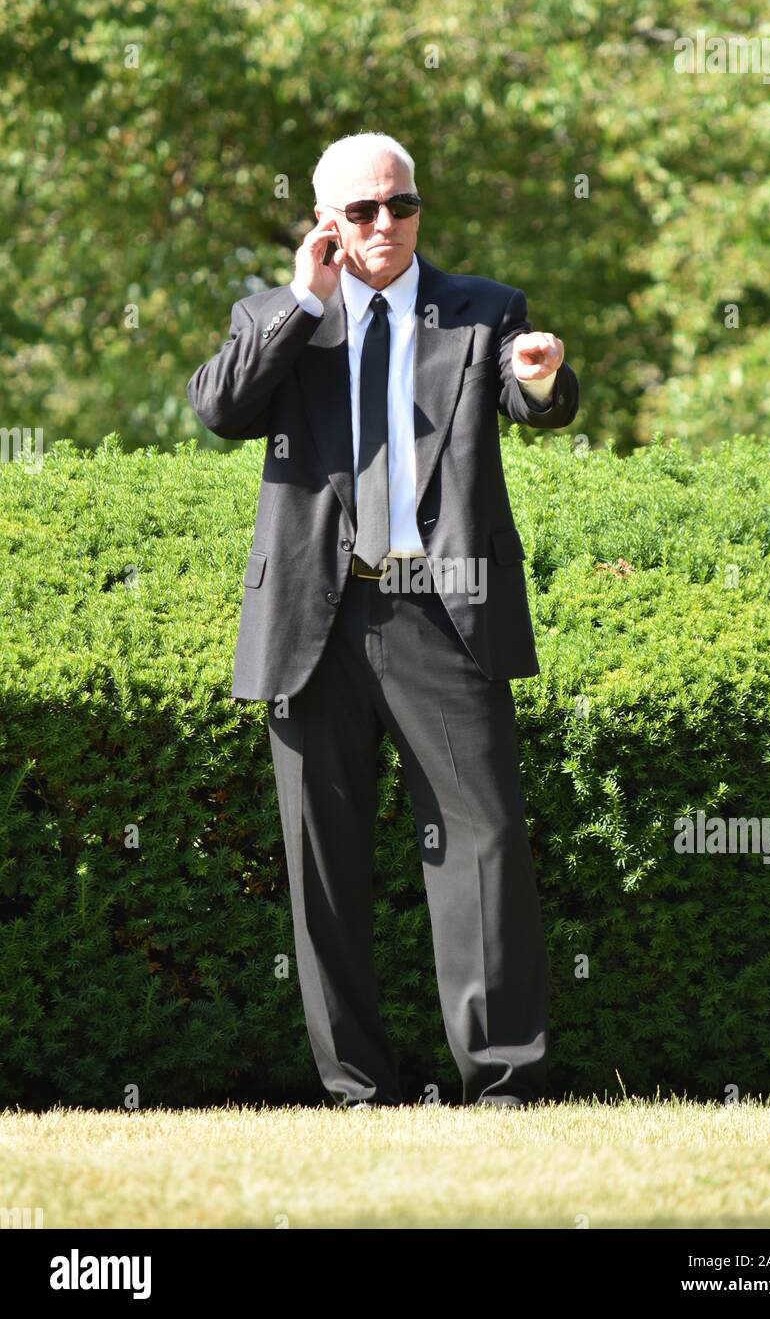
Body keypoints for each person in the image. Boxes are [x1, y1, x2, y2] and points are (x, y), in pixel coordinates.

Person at [187, 132, 579, 1109]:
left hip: (443, 612)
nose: (382, 226)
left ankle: (500, 1079)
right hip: (310, 618)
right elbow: (221, 409)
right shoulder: (281, 318)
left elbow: (533, 401)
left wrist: (536, 378)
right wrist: (301, 300)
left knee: (483, 843)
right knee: (324, 858)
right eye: (359, 211)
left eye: (398, 206)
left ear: (417, 208)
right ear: (326, 221)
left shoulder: (483, 311)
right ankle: (355, 1085)